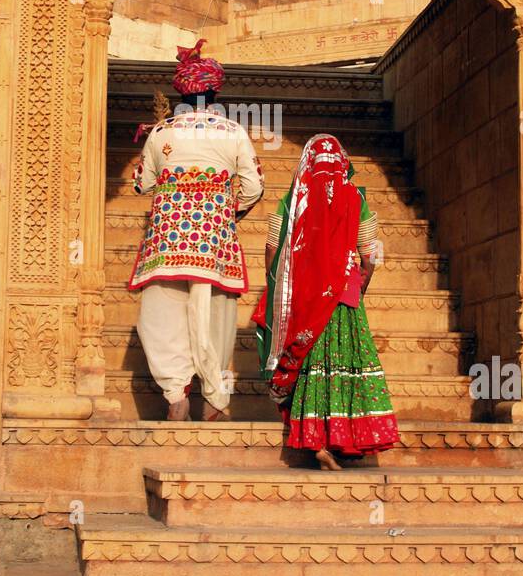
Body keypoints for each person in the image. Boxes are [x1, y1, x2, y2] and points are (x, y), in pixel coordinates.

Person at [129, 40, 264, 421]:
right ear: (215, 91)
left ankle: (176, 396)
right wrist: (228, 211)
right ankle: (216, 402)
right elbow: (254, 187)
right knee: (217, 321)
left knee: (163, 318)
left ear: (180, 92)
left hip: (167, 242)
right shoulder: (233, 131)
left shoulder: (161, 132)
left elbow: (142, 184)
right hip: (216, 242)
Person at [253, 133, 398, 469]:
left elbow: (272, 249)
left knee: (312, 365)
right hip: (344, 297)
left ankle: (314, 439)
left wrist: (278, 287)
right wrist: (360, 287)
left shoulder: (292, 201)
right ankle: (342, 438)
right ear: (343, 164)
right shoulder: (355, 197)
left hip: (304, 299)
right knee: (345, 366)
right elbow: (370, 255)